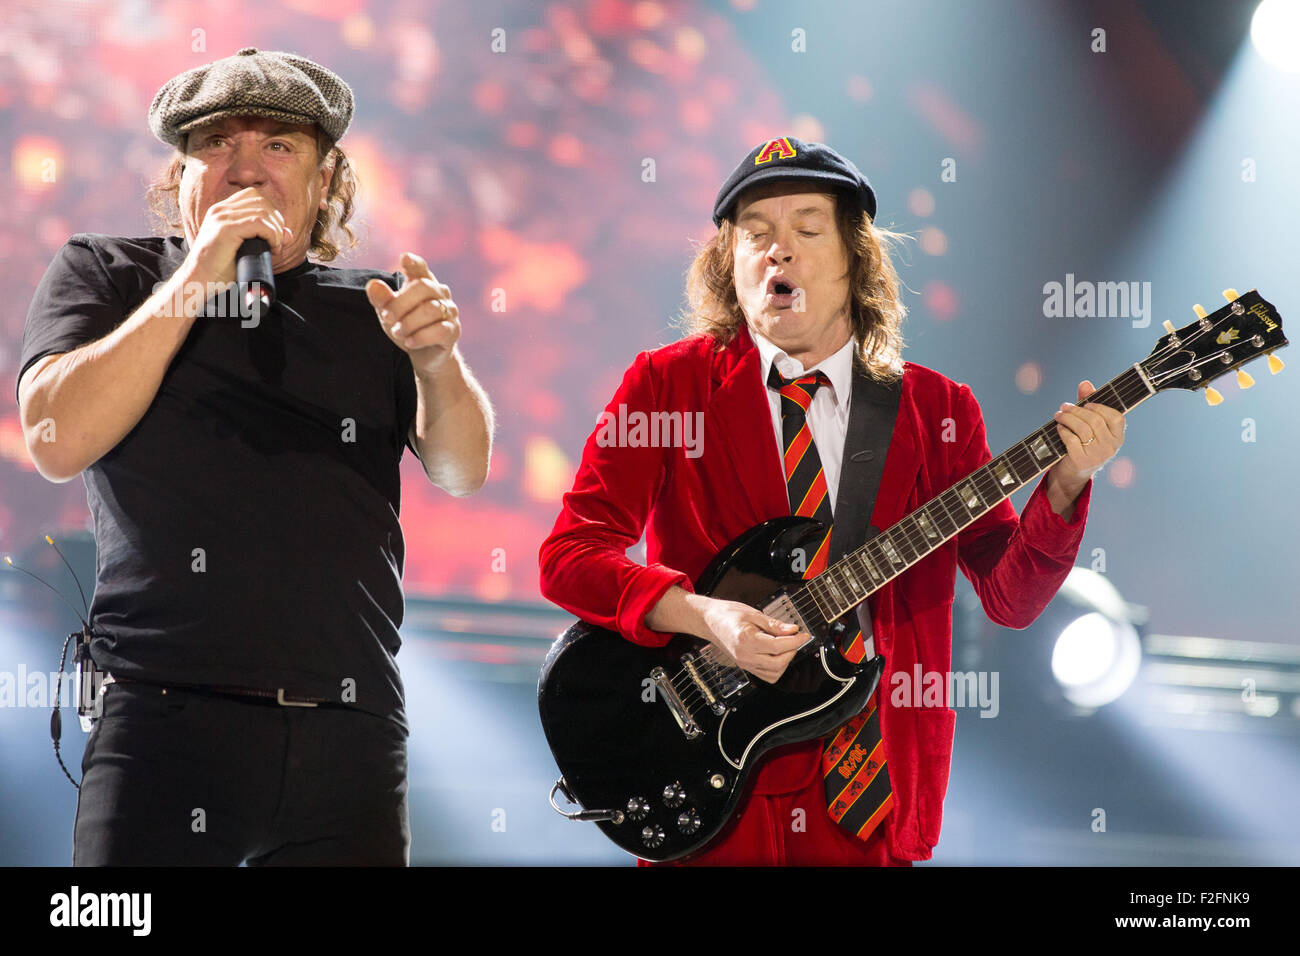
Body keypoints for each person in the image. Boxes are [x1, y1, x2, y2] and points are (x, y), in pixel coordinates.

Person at [538, 135, 1125, 866]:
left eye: (806, 230)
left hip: (871, 793)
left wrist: (1065, 483)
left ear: (855, 254)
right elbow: (570, 556)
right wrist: (702, 614)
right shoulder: (667, 387)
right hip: (713, 786)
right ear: (728, 260)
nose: (776, 252)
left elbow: (1010, 597)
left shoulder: (937, 409)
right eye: (755, 235)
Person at [16, 47, 494, 865]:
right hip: (161, 723)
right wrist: (198, 275)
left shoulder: (374, 308)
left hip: (348, 732)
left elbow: (461, 469)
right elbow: (55, 440)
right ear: (179, 173)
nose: (245, 169)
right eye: (215, 145)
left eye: (278, 146)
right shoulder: (111, 273)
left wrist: (438, 362)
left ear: (325, 180)